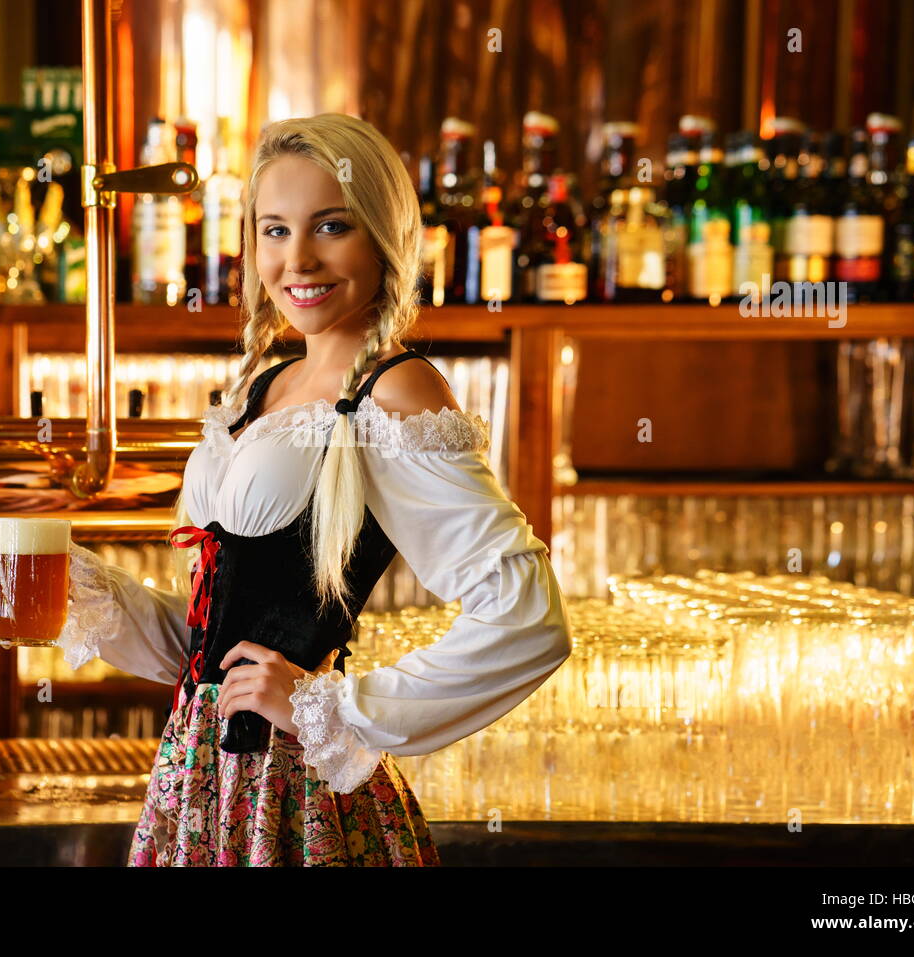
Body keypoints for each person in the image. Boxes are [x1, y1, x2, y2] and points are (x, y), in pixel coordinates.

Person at [56, 113, 572, 866]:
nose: (297, 257)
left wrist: (321, 704)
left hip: (294, 803)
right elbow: (208, 651)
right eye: (273, 229)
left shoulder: (393, 394)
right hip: (198, 790)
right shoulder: (262, 385)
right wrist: (74, 586)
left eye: (330, 226)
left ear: (382, 236)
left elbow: (529, 619)